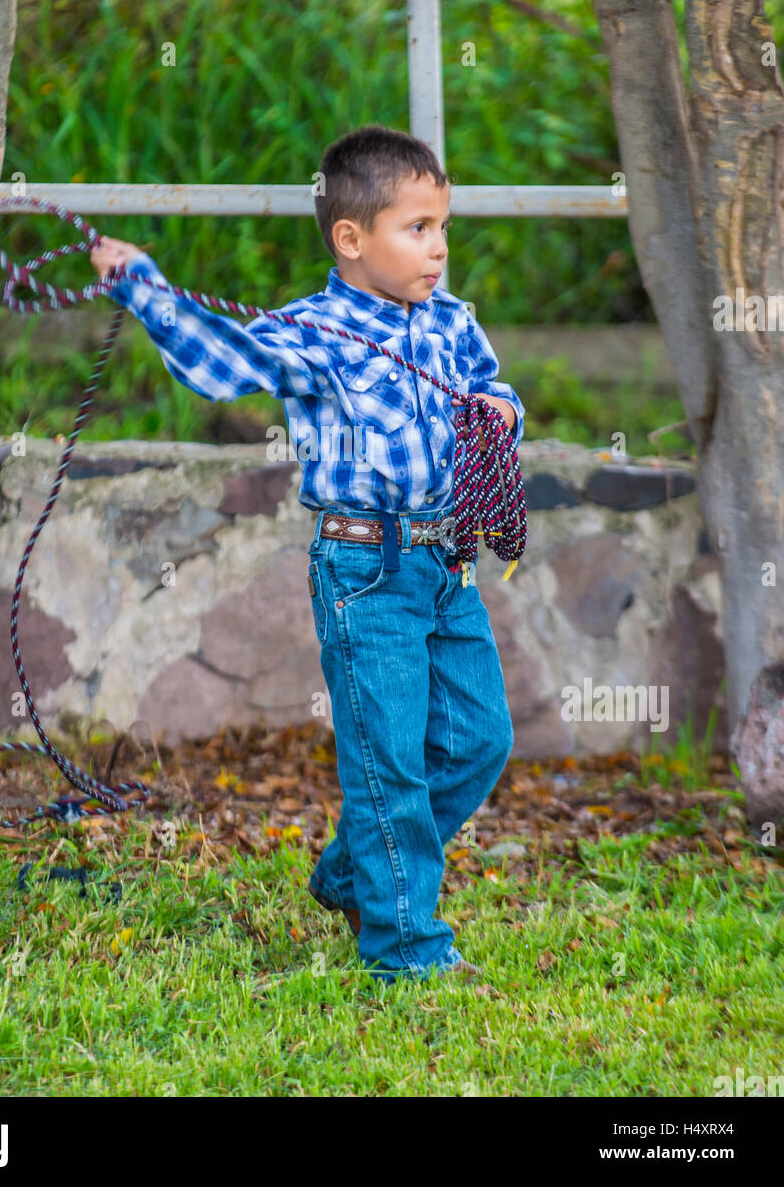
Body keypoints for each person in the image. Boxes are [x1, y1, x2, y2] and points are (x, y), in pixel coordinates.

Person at [90, 124, 524, 986]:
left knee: (479, 740)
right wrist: (141, 285)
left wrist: (500, 408)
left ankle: (352, 873)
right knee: (388, 759)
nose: (438, 249)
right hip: (367, 573)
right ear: (351, 238)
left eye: (442, 227)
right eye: (417, 229)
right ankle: (404, 950)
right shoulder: (316, 333)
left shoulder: (449, 321)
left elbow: (489, 379)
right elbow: (222, 364)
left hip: (449, 565)